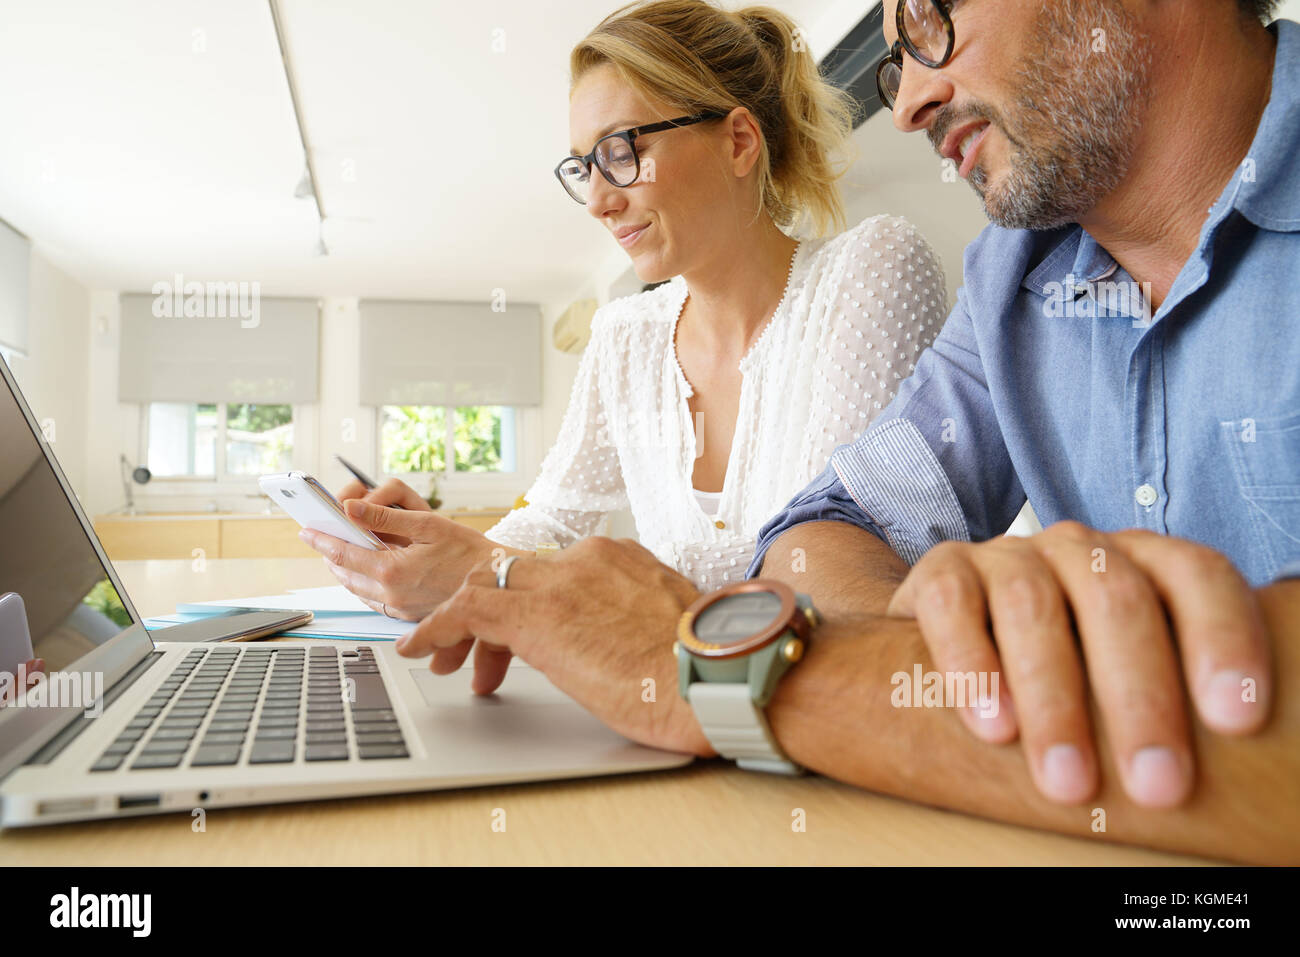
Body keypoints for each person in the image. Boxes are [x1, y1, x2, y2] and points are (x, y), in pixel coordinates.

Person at [398, 0, 1300, 864]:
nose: (908, 106)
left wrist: (705, 669)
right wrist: (908, 657)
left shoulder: (877, 271)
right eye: (896, 63)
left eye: (933, 17)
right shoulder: (1014, 280)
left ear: (740, 142)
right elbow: (831, 527)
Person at [300, 0, 948, 691]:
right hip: (673, 708)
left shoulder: (869, 270)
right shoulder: (625, 335)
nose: (597, 201)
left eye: (621, 152)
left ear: (738, 141)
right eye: (585, 167)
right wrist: (450, 551)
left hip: (849, 707)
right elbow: (554, 516)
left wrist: (496, 573)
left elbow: (837, 566)